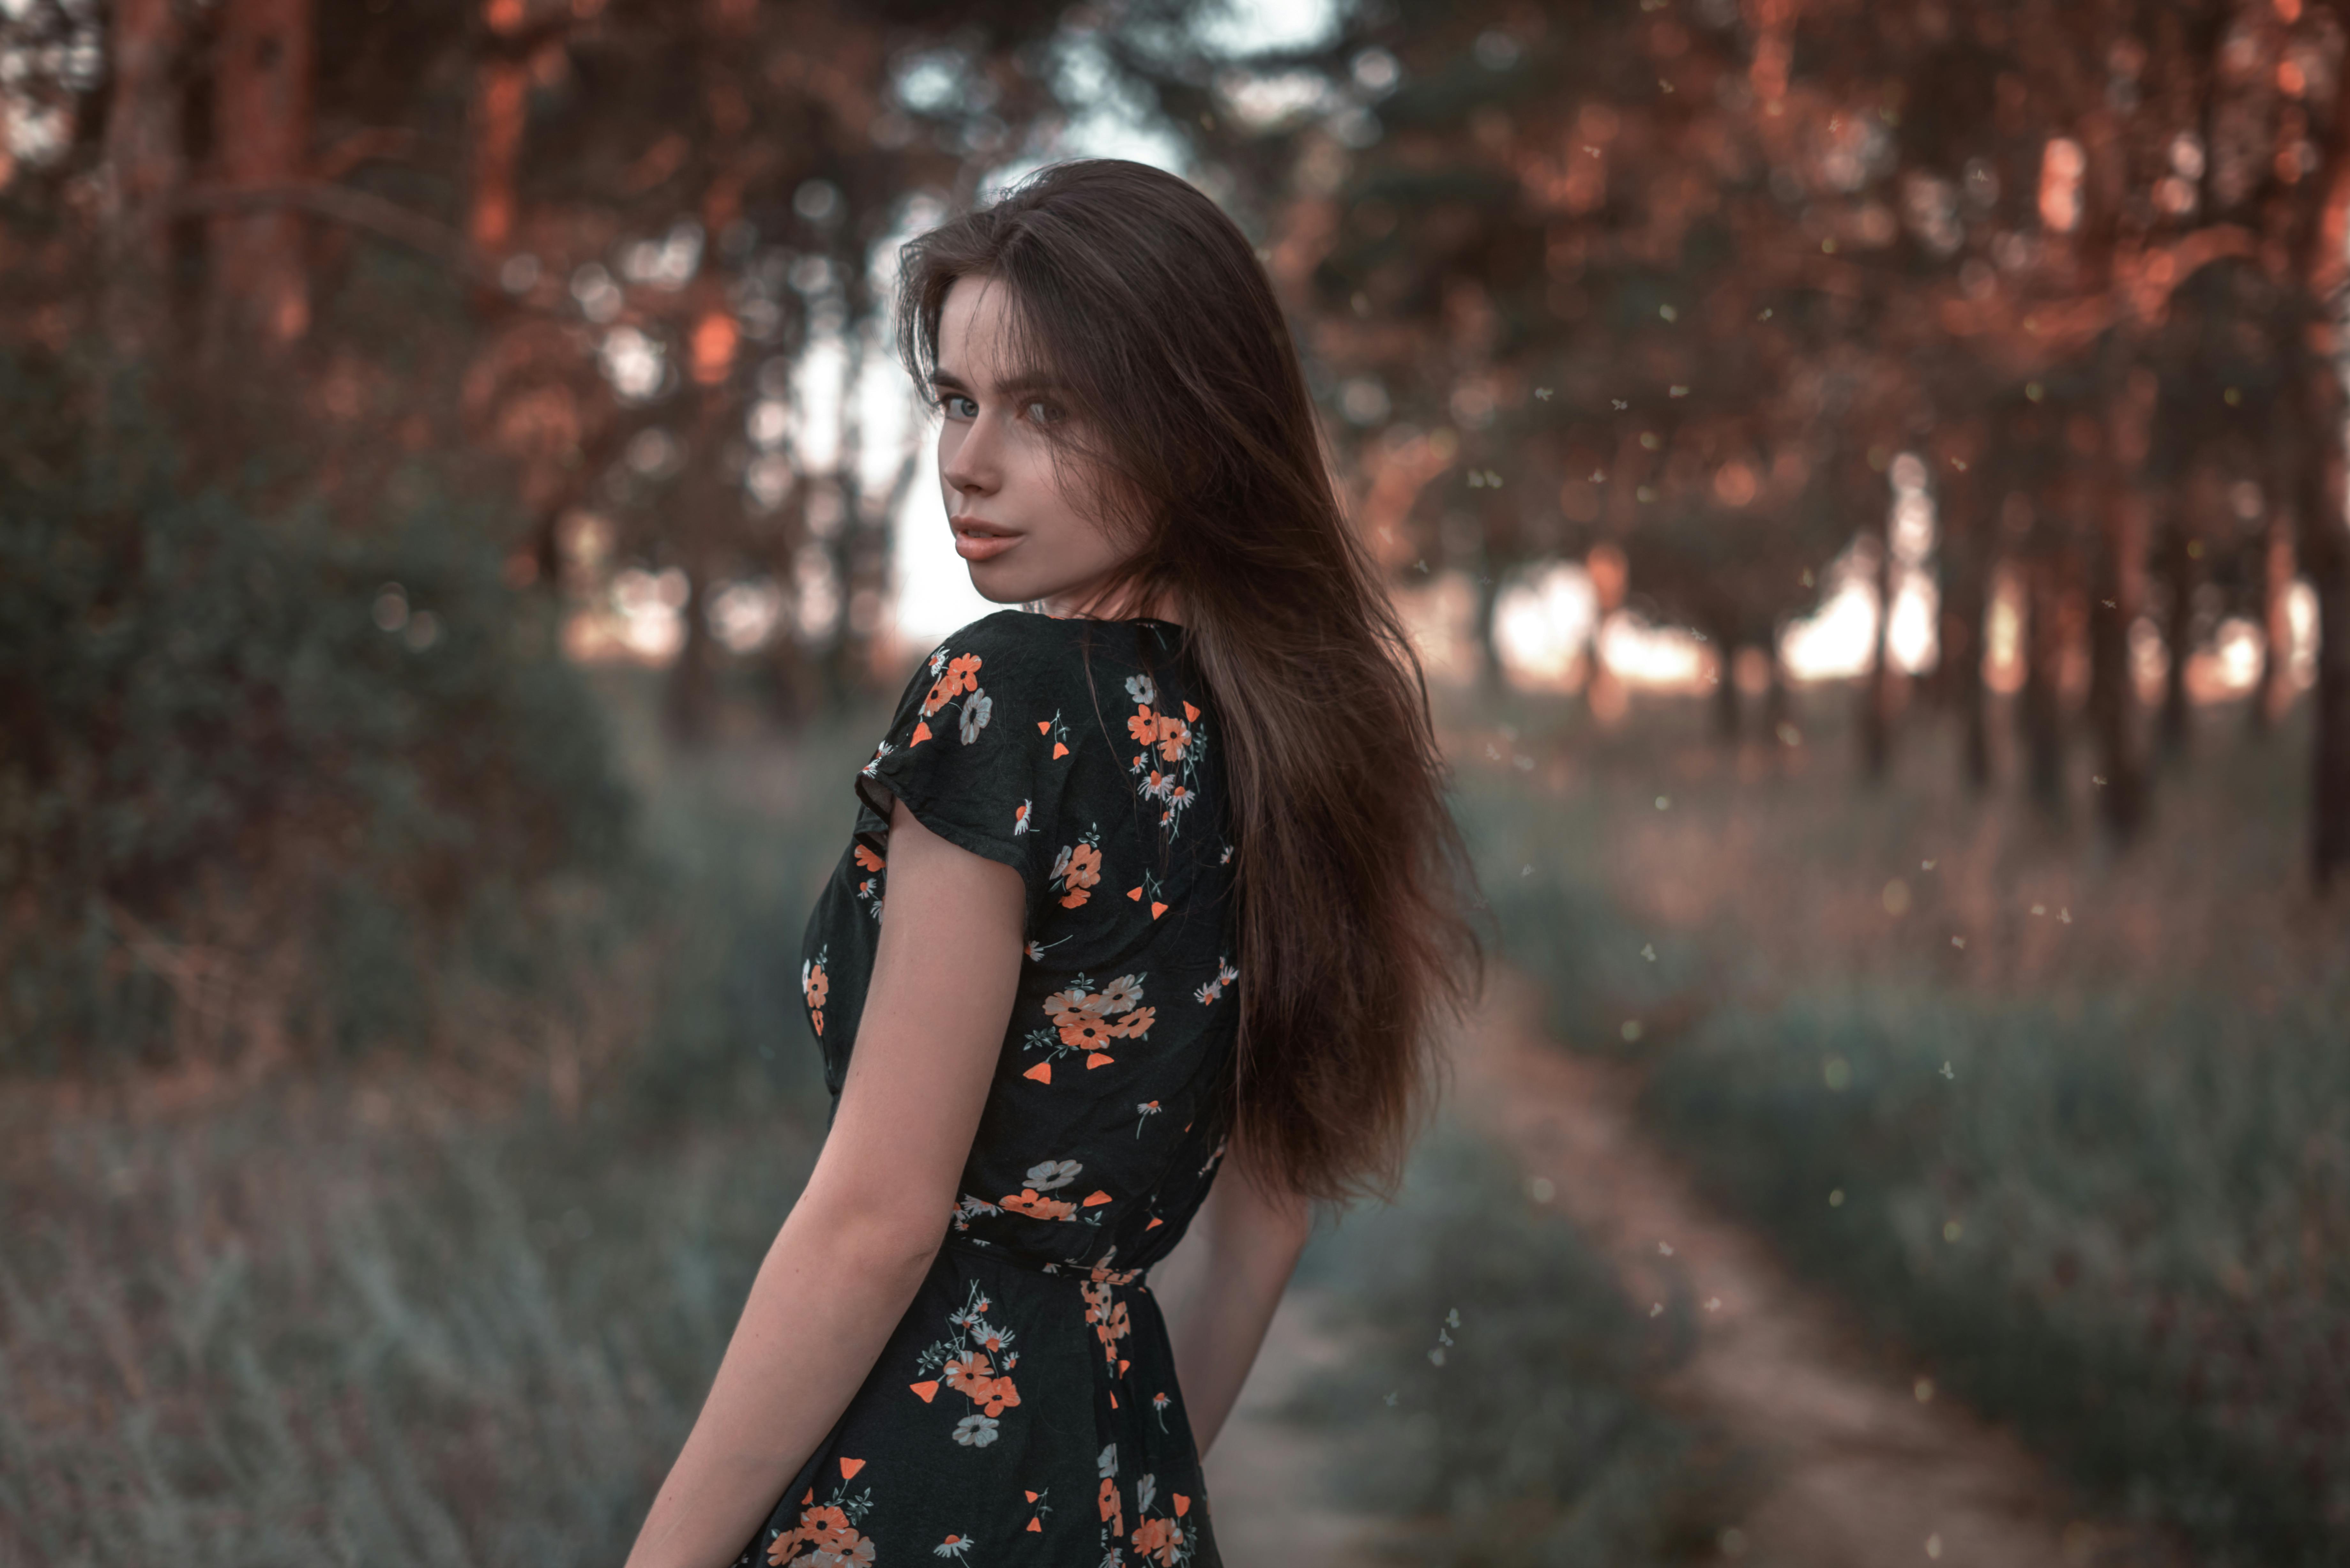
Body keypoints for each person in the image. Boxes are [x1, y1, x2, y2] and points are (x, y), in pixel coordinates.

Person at [622, 158, 1479, 1568]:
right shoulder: (1287, 732)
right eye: (955, 400)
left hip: (898, 1484)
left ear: (1193, 423)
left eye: (1046, 409)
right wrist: (1111, 1500)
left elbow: (877, 1220)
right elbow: (1265, 1224)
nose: (967, 461)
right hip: (1119, 1481)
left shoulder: (1007, 698)